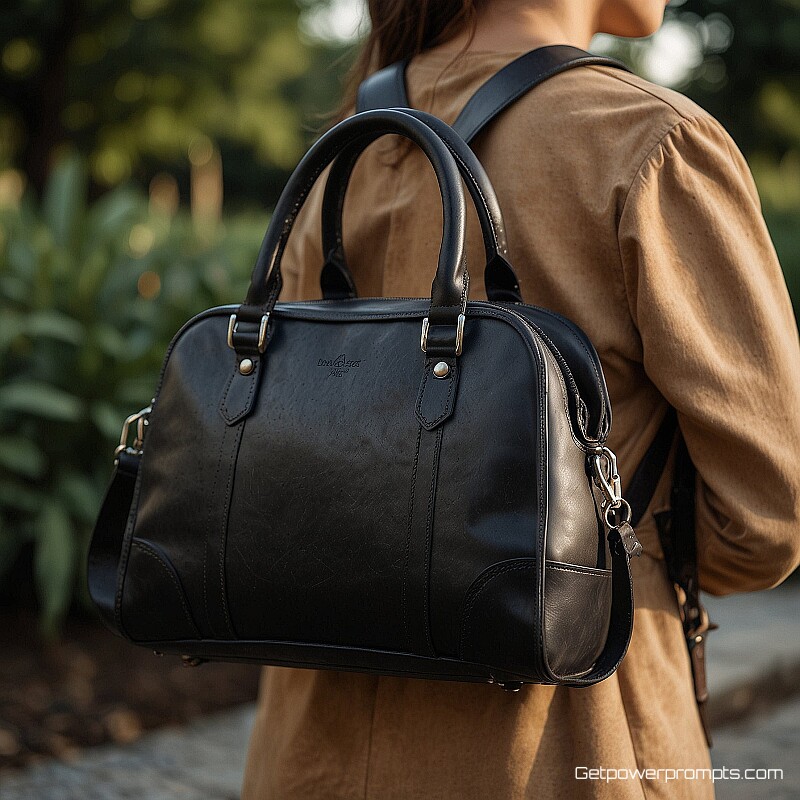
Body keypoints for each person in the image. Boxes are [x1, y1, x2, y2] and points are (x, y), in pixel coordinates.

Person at [241, 1, 800, 798]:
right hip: (558, 741)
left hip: (308, 754)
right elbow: (770, 516)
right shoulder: (648, 141)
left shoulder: (351, 146)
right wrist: (605, 547)